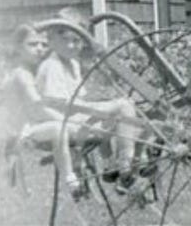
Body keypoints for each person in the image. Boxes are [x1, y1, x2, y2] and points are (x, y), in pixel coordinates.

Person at [35, 18, 141, 193]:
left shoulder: (72, 64)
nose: (71, 46)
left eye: (76, 41)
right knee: (124, 106)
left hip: (74, 118)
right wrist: (97, 108)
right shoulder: (52, 65)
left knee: (118, 114)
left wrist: (100, 105)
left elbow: (79, 97)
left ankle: (110, 165)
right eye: (65, 40)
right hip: (62, 121)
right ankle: (125, 166)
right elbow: (59, 103)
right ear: (52, 41)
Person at [3, 22, 84, 198]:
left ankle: (79, 168)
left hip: (34, 125)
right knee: (60, 128)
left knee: (70, 127)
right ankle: (70, 178)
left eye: (44, 45)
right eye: (32, 44)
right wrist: (67, 120)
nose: (39, 49)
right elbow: (38, 107)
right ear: (18, 47)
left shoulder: (35, 71)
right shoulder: (21, 75)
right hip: (23, 132)